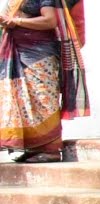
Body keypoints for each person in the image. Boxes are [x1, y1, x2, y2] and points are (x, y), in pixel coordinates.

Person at [0, 0, 87, 163]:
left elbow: (50, 20)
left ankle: (50, 150)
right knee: (27, 100)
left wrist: (16, 21)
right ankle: (35, 147)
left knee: (42, 99)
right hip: (21, 50)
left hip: (40, 54)